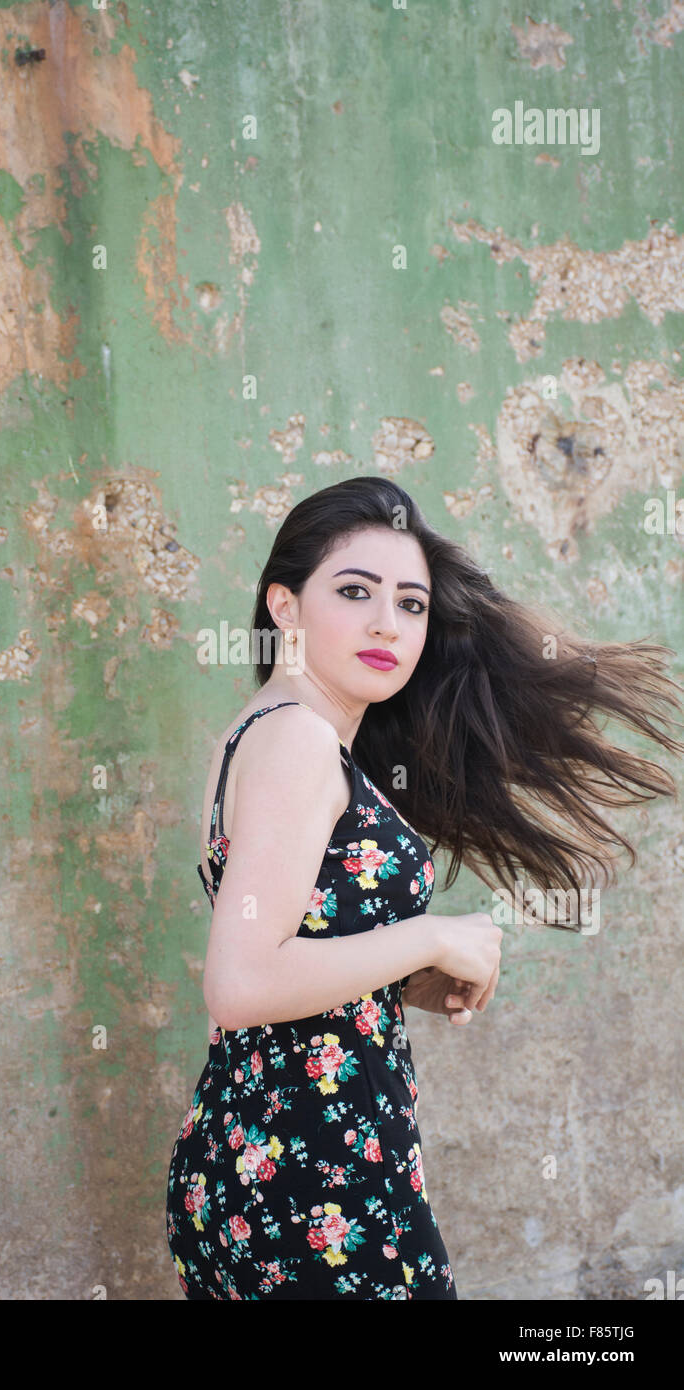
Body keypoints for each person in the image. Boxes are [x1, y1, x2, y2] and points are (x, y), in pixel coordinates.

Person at [165, 476, 684, 1300]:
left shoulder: (262, 731)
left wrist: (399, 977)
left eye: (411, 605)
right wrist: (435, 935)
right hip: (316, 1181)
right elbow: (239, 983)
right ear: (285, 607)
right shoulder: (296, 739)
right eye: (354, 591)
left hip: (261, 1157)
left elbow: (291, 943)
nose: (387, 623)